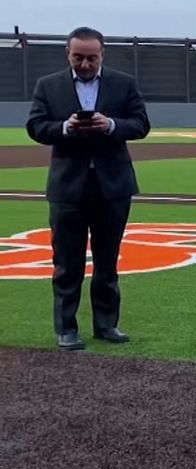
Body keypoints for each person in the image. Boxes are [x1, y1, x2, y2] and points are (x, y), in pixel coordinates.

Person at [25, 27, 151, 351]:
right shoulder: (48, 86)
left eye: (91, 58)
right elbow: (36, 126)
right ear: (67, 54)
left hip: (113, 187)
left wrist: (110, 125)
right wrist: (65, 127)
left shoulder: (124, 84)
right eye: (78, 57)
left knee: (107, 260)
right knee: (67, 263)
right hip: (68, 188)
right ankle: (67, 329)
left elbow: (141, 123)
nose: (84, 64)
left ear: (102, 55)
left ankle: (106, 324)